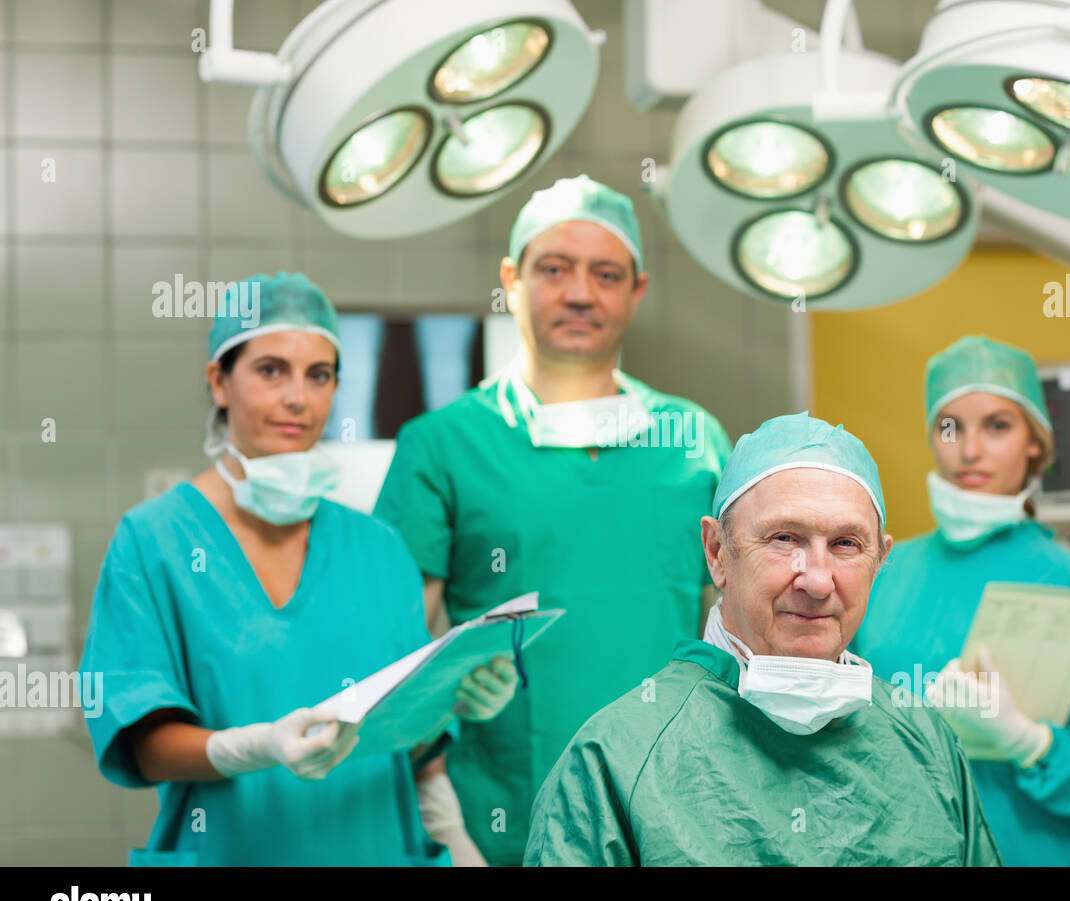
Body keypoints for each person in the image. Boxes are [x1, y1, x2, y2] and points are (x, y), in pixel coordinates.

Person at [80, 272, 517, 866]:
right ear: (219, 381)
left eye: (319, 375)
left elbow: (404, 741)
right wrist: (256, 747)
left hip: (375, 848)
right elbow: (143, 744)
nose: (298, 398)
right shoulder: (153, 541)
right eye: (270, 370)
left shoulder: (377, 548)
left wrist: (451, 703)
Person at [374, 175, 732, 866]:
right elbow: (394, 652)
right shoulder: (445, 444)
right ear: (510, 280)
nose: (578, 293)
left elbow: (738, 629)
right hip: (501, 811)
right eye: (554, 269)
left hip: (671, 809)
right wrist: (444, 701)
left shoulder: (693, 440)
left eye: (605, 274)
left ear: (638, 291)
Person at [524, 413, 1003, 866]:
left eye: (846, 545)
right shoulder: (615, 762)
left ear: (880, 559)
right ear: (717, 553)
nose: (817, 581)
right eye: (784, 539)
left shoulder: (926, 743)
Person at [851, 334, 1070, 867]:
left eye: (997, 426)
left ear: (1036, 440)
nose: (970, 450)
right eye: (950, 427)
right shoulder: (879, 572)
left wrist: (1027, 742)